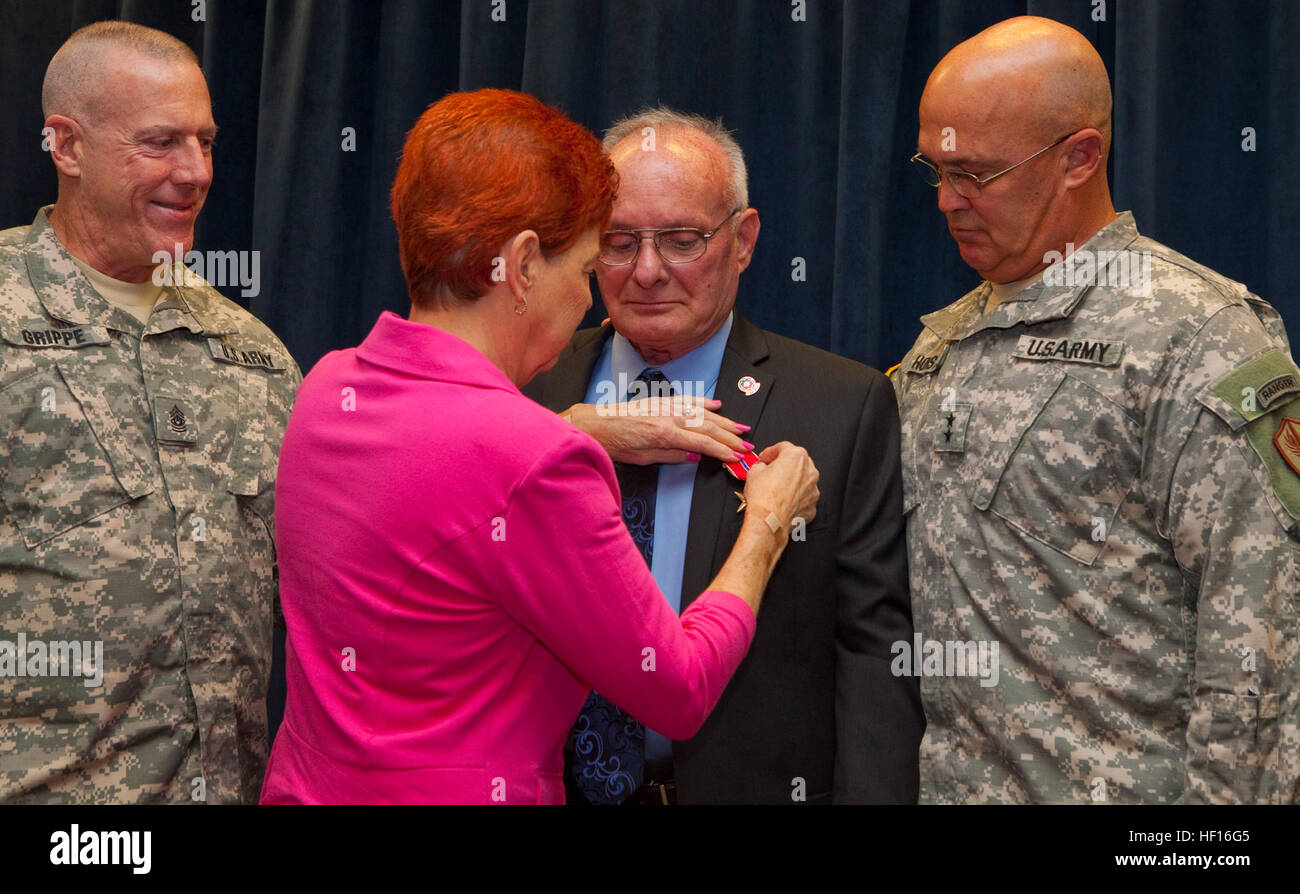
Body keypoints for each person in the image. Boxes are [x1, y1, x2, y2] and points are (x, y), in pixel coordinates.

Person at [259, 89, 820, 805]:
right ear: (523, 266)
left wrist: (577, 424)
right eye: (588, 268)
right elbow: (675, 687)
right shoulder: (537, 458)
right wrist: (766, 525)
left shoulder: (327, 389)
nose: (592, 298)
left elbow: (436, 468)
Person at [893, 15, 1300, 803]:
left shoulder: (1200, 339)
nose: (946, 200)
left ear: (1079, 157)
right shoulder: (941, 348)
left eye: (976, 173)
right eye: (935, 168)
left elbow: (1268, 657)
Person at [525, 107, 922, 804]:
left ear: (743, 240)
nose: (647, 272)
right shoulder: (530, 388)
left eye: (682, 240)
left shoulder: (838, 404)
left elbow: (873, 659)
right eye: (619, 242)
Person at [0, 21, 300, 803]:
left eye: (205, 141)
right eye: (161, 142)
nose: (195, 171)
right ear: (65, 146)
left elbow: (323, 586)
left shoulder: (253, 355)